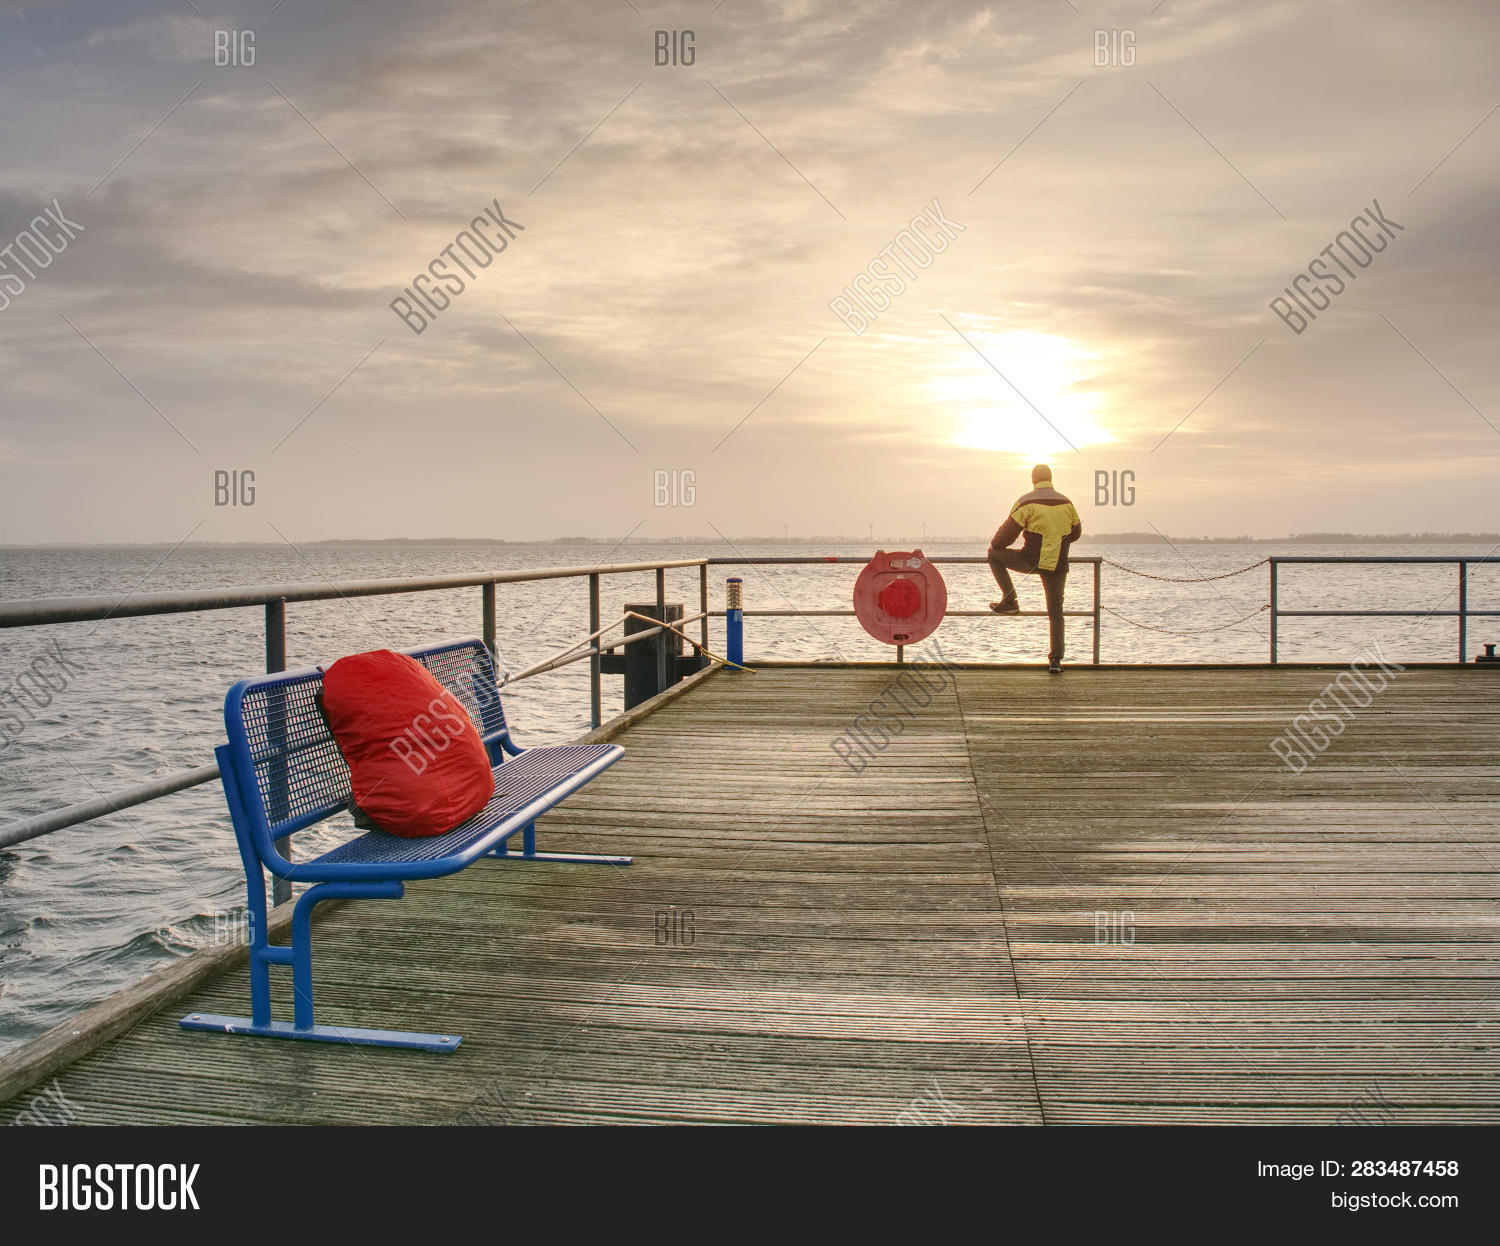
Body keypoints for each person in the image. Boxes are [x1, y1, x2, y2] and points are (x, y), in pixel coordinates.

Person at [987, 464, 1081, 673]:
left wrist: (1004, 544)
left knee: (993, 555)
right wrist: (1057, 542)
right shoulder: (1067, 503)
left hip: (1030, 561)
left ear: (1033, 480)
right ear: (1051, 478)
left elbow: (1003, 538)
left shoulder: (1026, 502)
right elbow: (1076, 532)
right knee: (1056, 612)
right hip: (1057, 564)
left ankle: (1010, 600)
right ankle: (1056, 661)